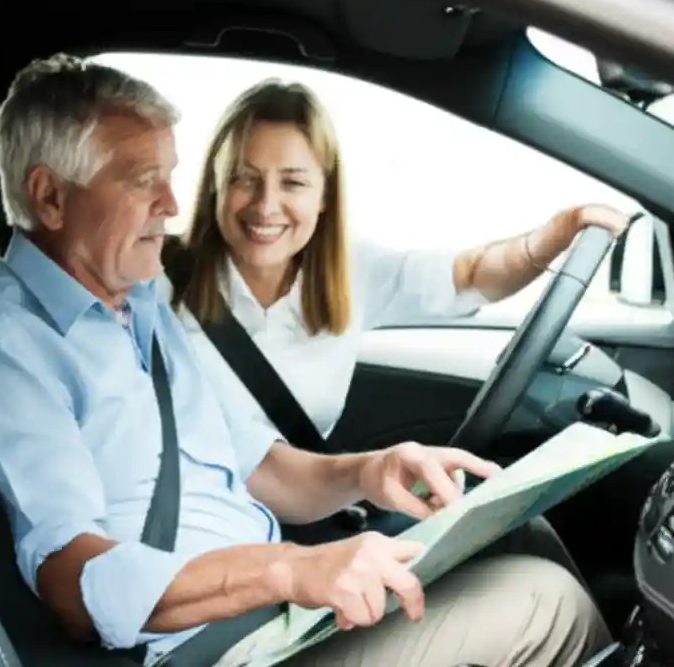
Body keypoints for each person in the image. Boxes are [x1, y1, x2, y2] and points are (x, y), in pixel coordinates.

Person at [0, 54, 612, 667]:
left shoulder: (139, 306)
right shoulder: (2, 336)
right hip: (212, 643)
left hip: (273, 612)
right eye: (144, 182)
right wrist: (288, 571)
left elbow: (261, 467)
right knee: (544, 605)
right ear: (50, 196)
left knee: (522, 539)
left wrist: (373, 469)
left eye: (170, 179)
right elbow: (73, 581)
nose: (171, 205)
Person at [161, 79, 631, 556]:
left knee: (525, 536)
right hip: (214, 538)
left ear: (325, 194)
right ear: (216, 183)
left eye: (293, 182)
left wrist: (556, 234)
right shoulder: (154, 286)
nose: (265, 205)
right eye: (244, 177)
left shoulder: (351, 273)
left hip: (306, 515)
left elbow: (469, 275)